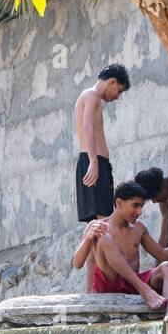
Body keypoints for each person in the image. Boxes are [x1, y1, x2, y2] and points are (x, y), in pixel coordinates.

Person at [72, 181, 168, 315]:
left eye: (141, 206)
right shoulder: (97, 226)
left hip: (133, 285)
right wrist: (88, 238)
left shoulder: (139, 228)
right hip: (110, 284)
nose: (139, 212)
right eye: (135, 206)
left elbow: (163, 255)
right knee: (104, 236)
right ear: (119, 203)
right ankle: (145, 290)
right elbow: (77, 263)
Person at [74, 63, 131, 289]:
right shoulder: (91, 95)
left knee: (96, 228)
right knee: (101, 227)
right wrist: (95, 162)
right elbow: (88, 127)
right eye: (118, 91)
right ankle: (95, 289)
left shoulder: (91, 97)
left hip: (94, 163)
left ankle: (92, 289)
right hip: (93, 163)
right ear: (112, 82)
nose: (116, 97)